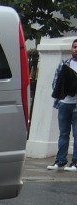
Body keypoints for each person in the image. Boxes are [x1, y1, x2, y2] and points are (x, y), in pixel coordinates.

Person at [48, 39, 77, 171]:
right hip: (64, 104)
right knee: (63, 134)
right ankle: (60, 160)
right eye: (74, 47)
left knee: (76, 134)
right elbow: (55, 82)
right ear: (71, 48)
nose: (76, 49)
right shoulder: (64, 64)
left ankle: (75, 162)